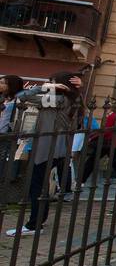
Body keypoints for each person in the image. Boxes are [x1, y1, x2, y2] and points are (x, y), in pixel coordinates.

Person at [6, 71, 82, 236]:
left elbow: (21, 96)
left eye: (52, 81)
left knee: (37, 185)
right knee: (43, 184)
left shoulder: (57, 100)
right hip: (60, 147)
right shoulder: (72, 99)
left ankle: (34, 224)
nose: (49, 84)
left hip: (48, 147)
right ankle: (40, 219)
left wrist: (43, 87)